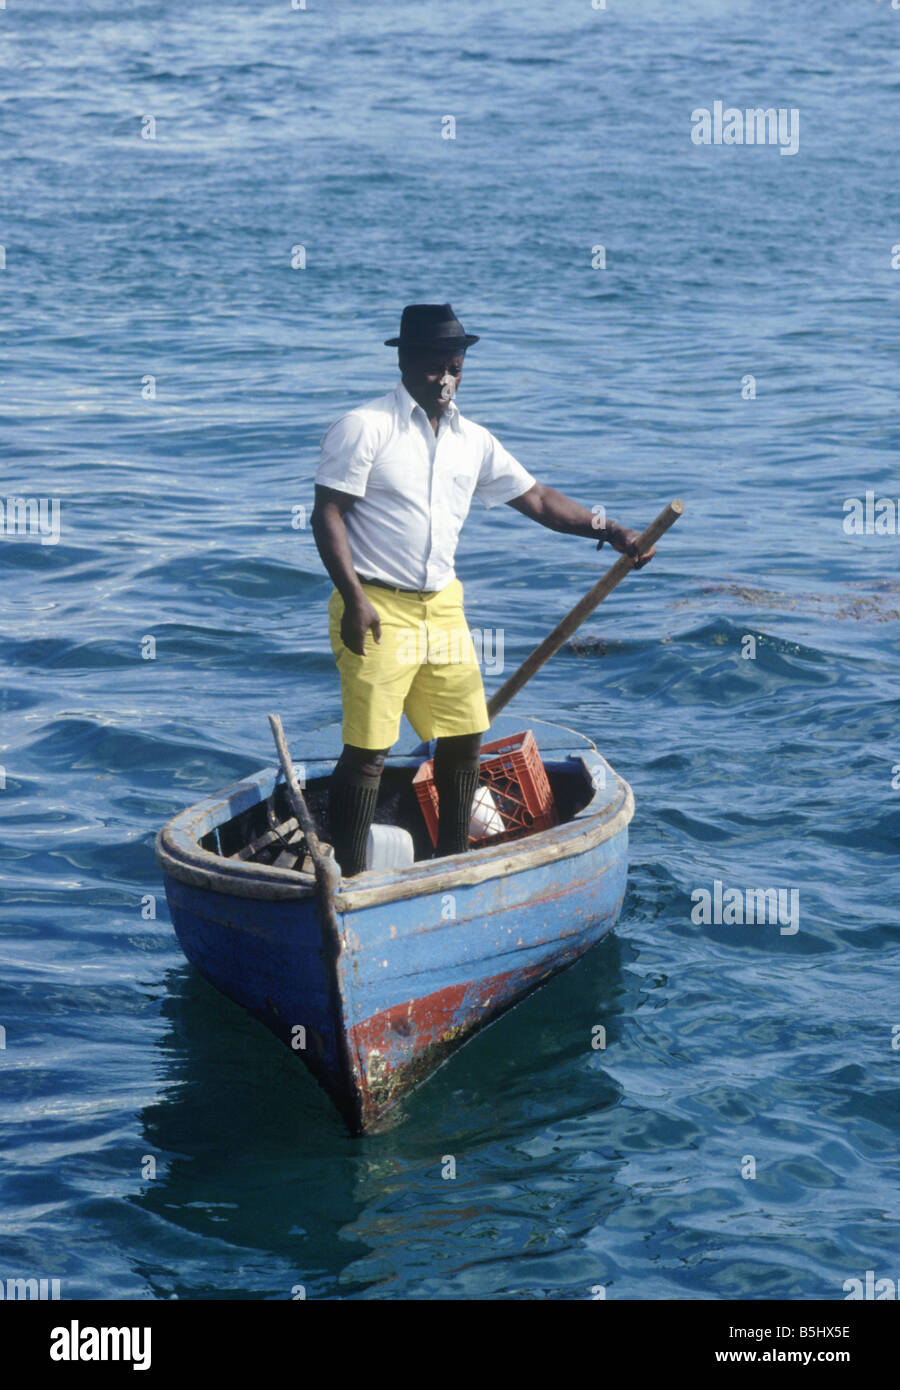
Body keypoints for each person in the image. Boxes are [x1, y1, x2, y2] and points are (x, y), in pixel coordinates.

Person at [311, 303, 654, 877]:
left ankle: (452, 861)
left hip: (443, 606)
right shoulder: (365, 427)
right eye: (434, 366)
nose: (445, 378)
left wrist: (611, 529)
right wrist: (353, 597)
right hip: (375, 603)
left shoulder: (474, 441)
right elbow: (327, 516)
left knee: (465, 736)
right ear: (405, 360)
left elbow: (539, 499)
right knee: (370, 749)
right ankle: (346, 877)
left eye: (456, 366)